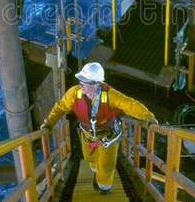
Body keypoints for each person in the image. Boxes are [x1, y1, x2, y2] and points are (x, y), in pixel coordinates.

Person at [40, 61, 157, 194]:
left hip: (109, 135)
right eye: (81, 80)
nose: (81, 83)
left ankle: (103, 187)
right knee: (90, 158)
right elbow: (60, 108)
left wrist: (148, 118)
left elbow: (130, 105)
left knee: (106, 165)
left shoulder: (110, 95)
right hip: (88, 134)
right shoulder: (74, 94)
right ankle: (97, 171)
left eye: (85, 81)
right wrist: (48, 123)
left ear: (97, 84)